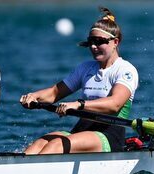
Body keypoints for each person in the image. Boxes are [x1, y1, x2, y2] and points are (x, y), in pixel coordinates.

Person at [20, 7, 138, 155]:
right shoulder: (85, 68)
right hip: (82, 130)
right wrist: (34, 96)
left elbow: (115, 104)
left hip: (108, 136)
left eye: (100, 42)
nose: (94, 47)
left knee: (55, 146)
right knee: (37, 145)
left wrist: (79, 104)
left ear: (115, 42)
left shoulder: (125, 70)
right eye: (91, 42)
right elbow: (54, 93)